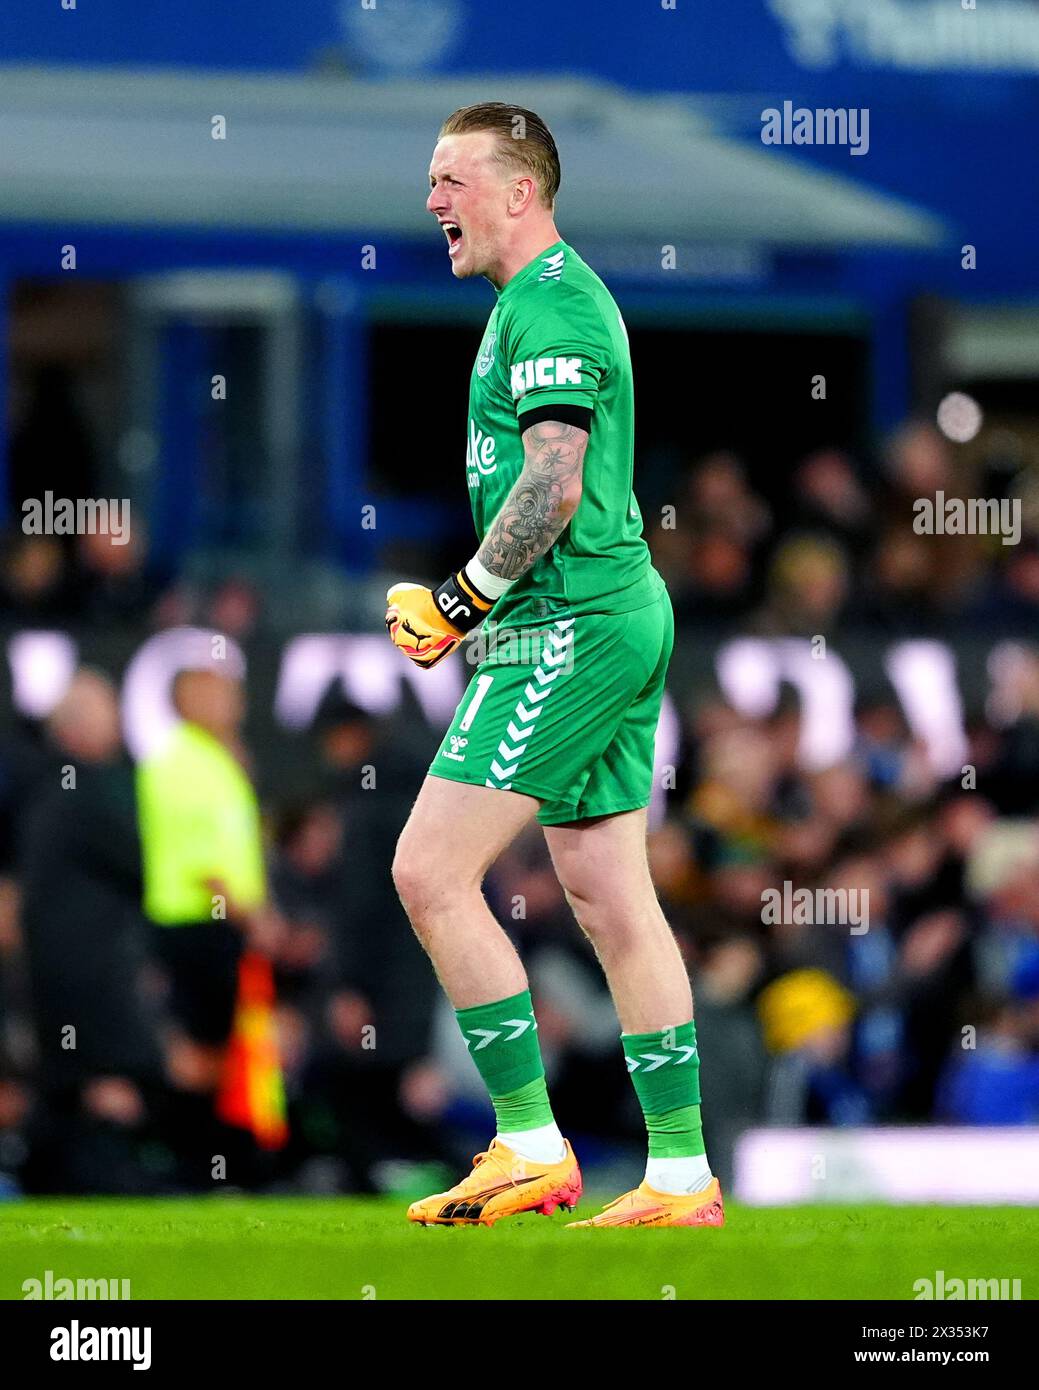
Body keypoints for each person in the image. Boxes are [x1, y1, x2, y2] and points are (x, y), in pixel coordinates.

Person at [384, 103, 721, 1228]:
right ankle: (679, 1174)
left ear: (519, 191)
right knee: (610, 893)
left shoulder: (555, 301)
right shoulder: (531, 302)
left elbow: (554, 482)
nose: (433, 200)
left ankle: (529, 1143)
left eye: (451, 179)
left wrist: (457, 601)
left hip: (570, 620)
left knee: (430, 872)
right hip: (601, 612)